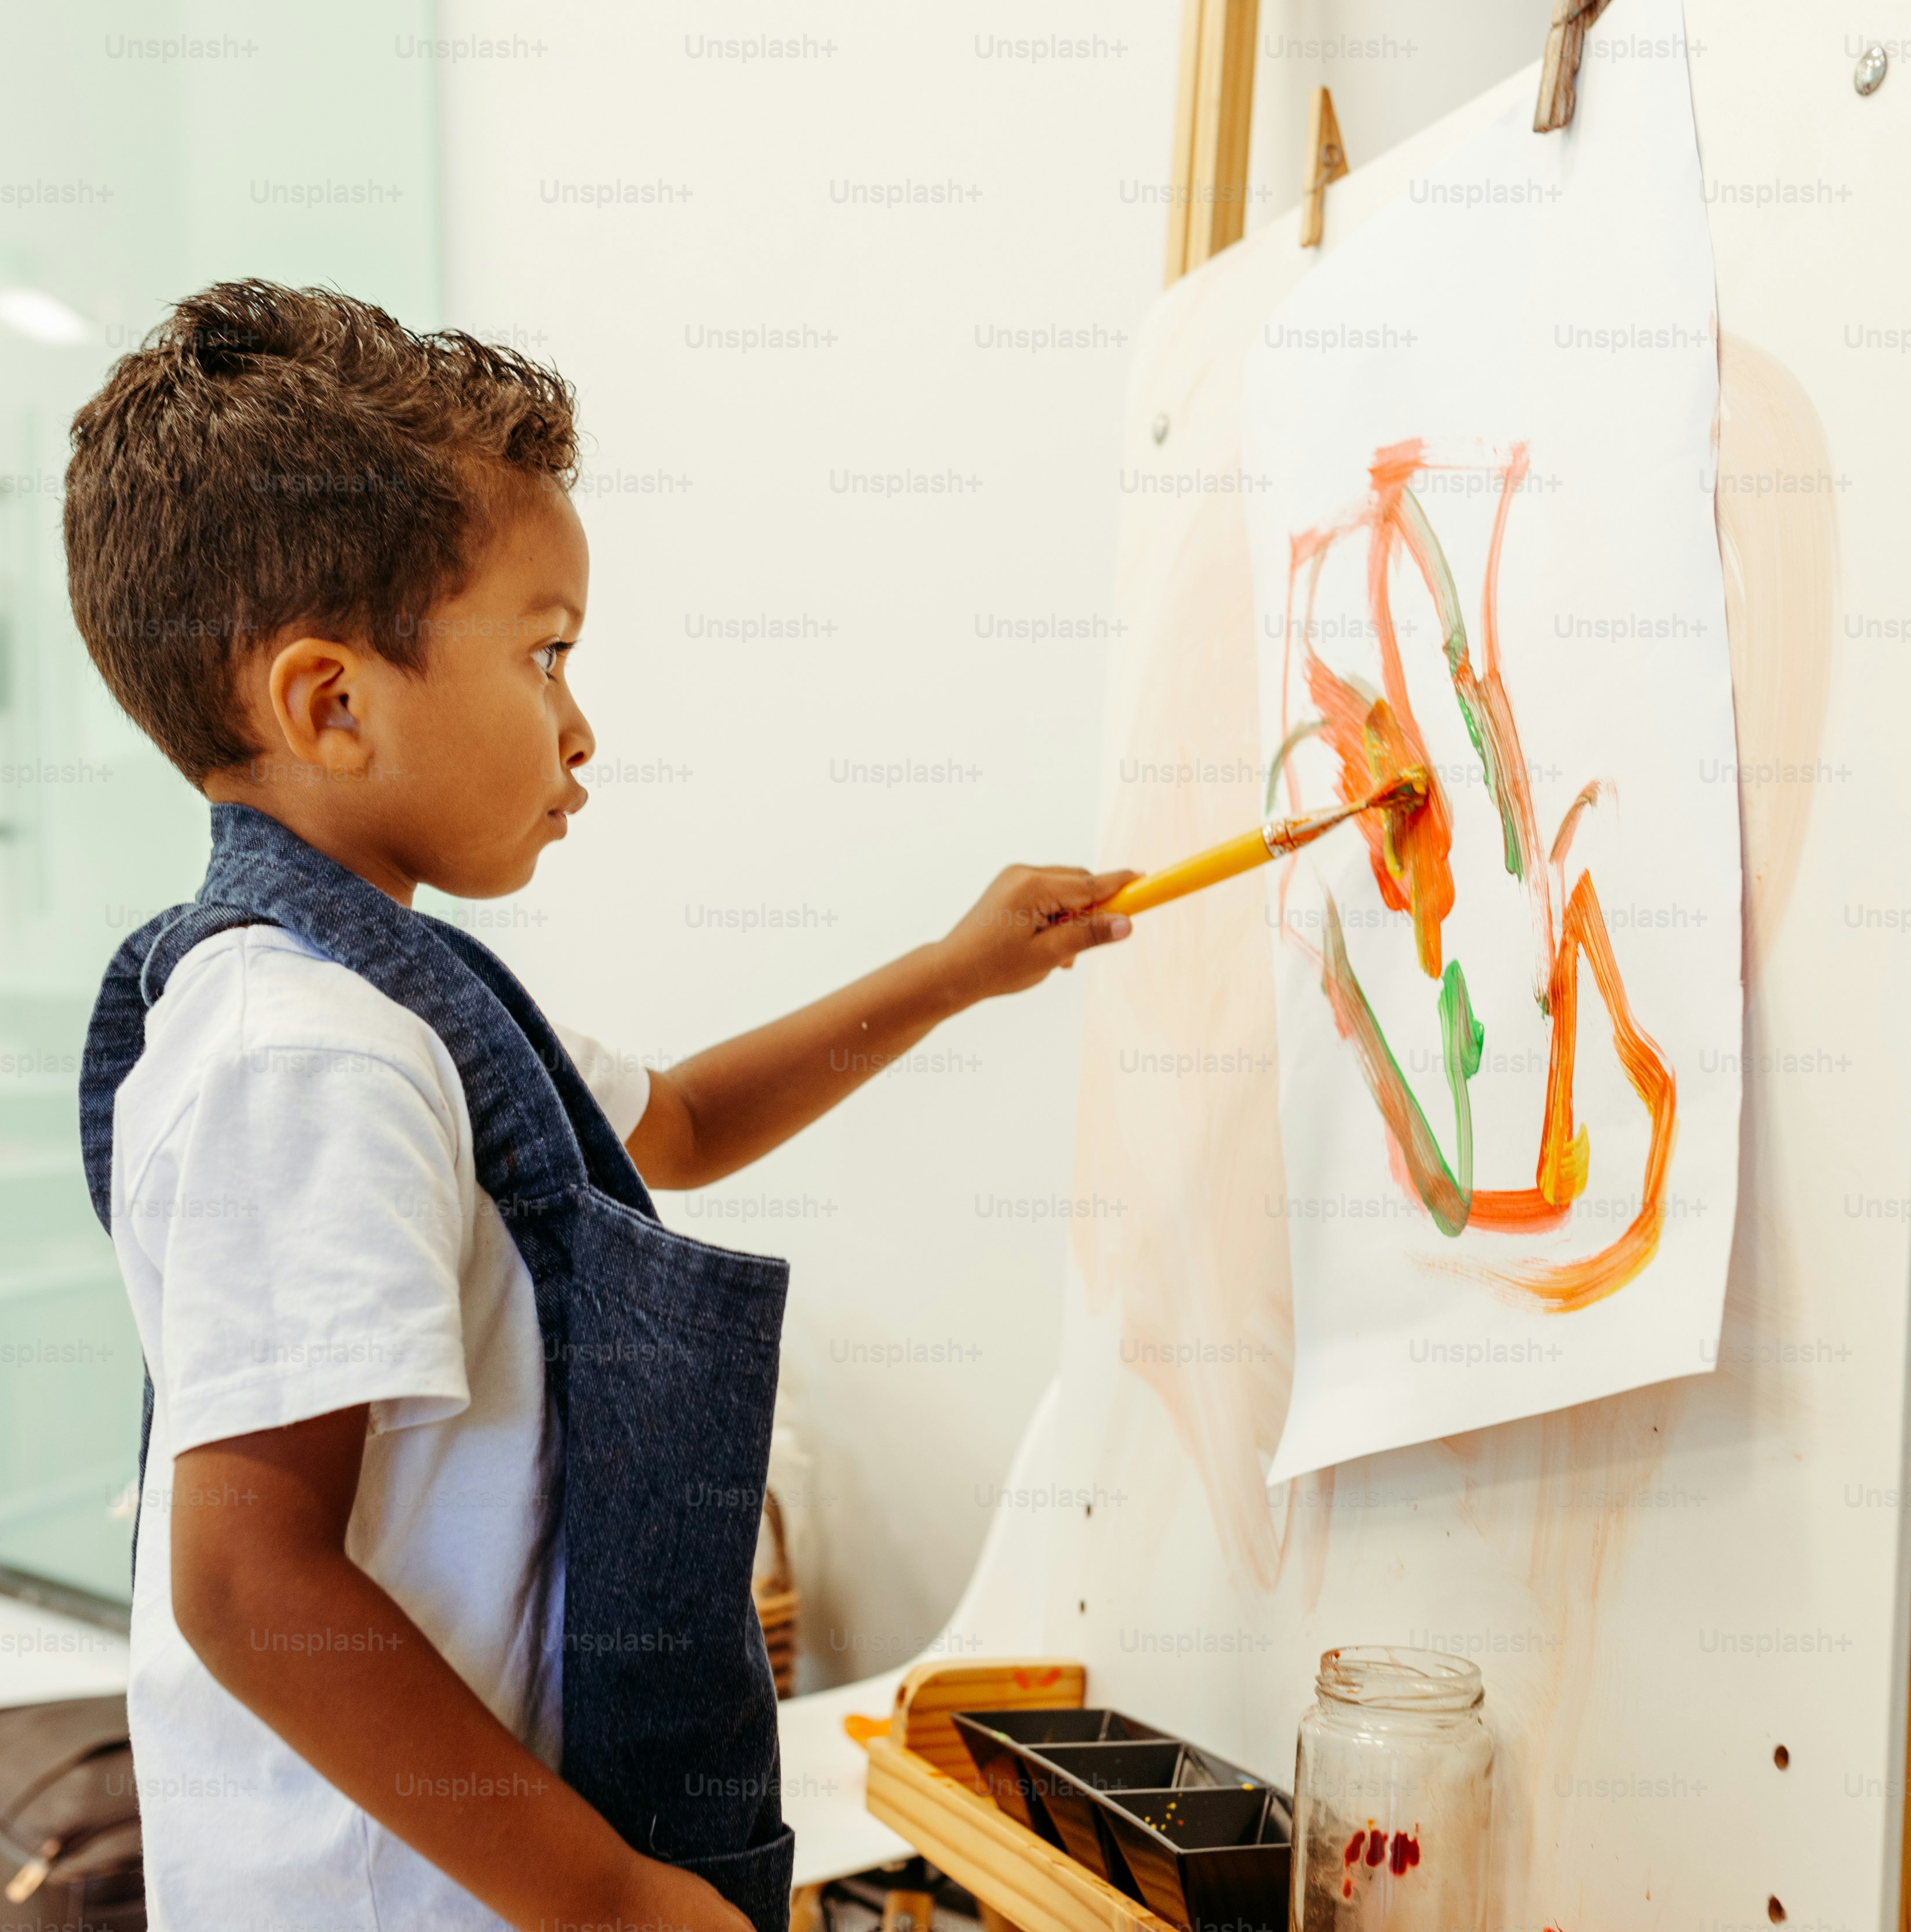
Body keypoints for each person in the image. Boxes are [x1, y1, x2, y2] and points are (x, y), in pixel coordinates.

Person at [64, 279, 1134, 1932]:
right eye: (545, 653)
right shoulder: (311, 1055)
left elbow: (686, 1122)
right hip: (398, 1898)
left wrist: (956, 969)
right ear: (329, 704)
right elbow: (246, 1582)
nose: (580, 728)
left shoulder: (407, 995)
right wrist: (612, 1904)